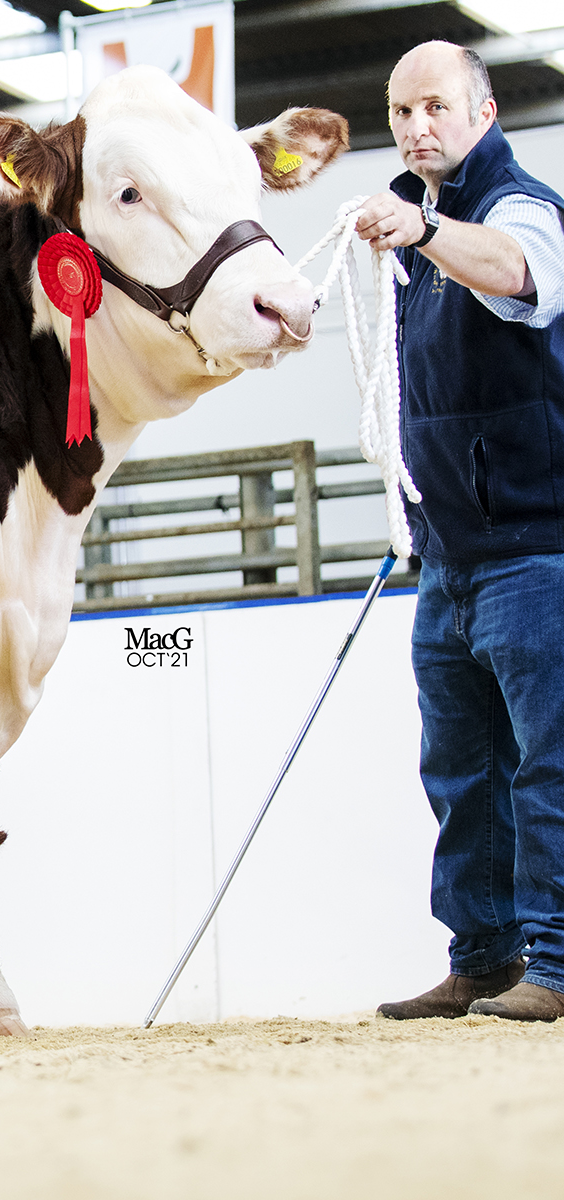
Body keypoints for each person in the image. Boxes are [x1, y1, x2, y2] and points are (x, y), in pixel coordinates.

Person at [352, 41, 564, 1022]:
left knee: (548, 760)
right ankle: (483, 954)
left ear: (482, 111)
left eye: (433, 106)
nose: (414, 127)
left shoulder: (519, 207)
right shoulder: (413, 230)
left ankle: (558, 963)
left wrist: (427, 225)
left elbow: (521, 275)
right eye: (400, 112)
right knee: (461, 769)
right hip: (448, 552)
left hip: (535, 541)